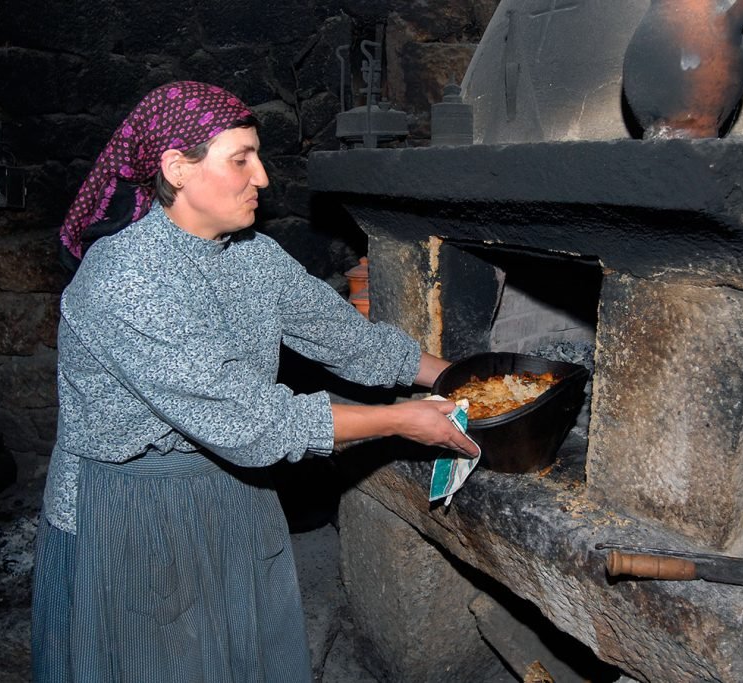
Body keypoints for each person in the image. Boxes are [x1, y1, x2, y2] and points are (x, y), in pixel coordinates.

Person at [31, 81, 479, 683]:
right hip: (135, 511)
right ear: (177, 169)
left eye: (258, 156)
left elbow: (351, 341)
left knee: (237, 656)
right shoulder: (128, 276)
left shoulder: (252, 255)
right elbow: (252, 422)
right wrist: (401, 419)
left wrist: (464, 377)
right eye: (240, 158)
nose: (262, 178)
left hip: (229, 490)